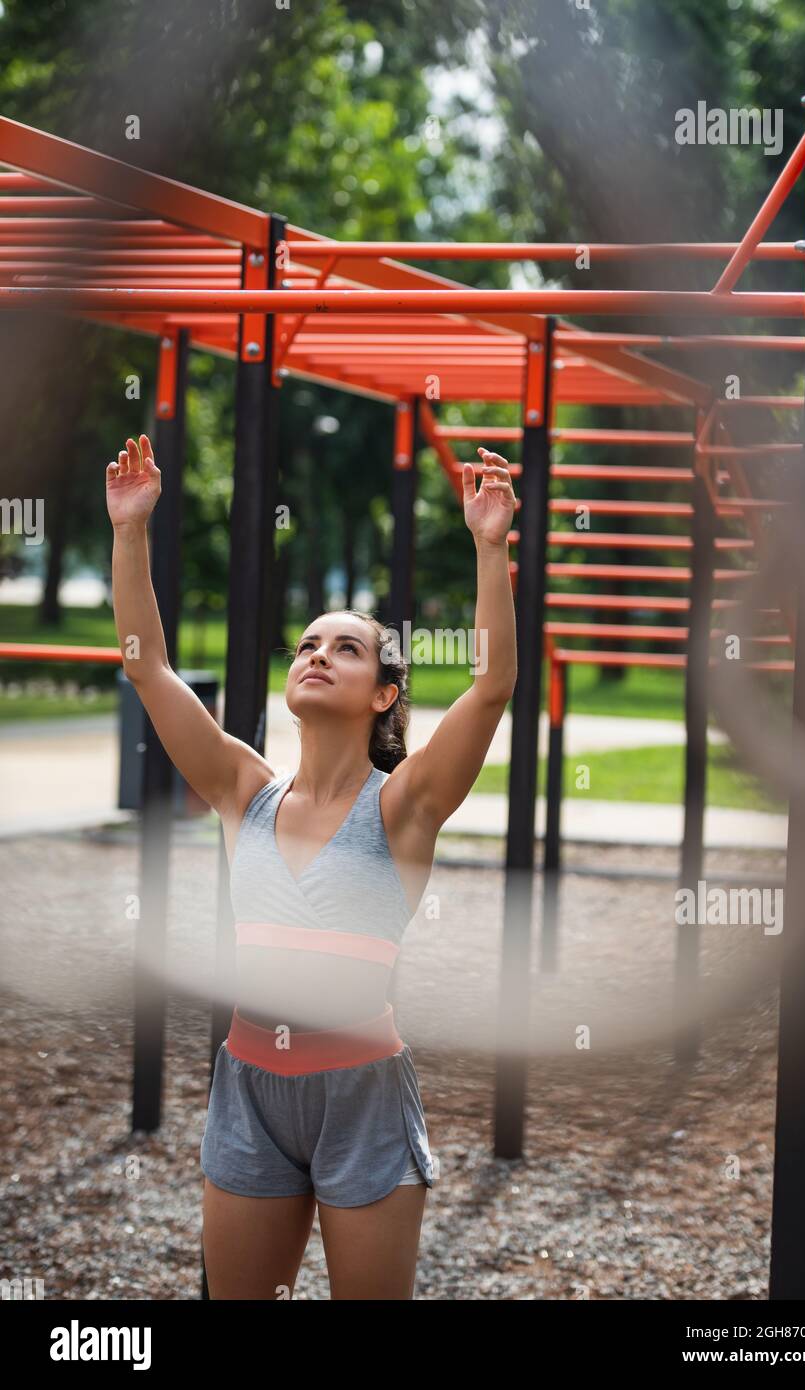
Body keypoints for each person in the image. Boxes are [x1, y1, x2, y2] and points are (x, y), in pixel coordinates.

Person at [106, 431, 518, 1300]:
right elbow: (148, 672)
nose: (316, 654)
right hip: (248, 1085)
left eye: (345, 647)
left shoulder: (405, 806)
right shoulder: (239, 788)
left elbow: (489, 688)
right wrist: (131, 531)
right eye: (306, 644)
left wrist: (489, 550)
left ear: (383, 694)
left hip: (361, 1092)